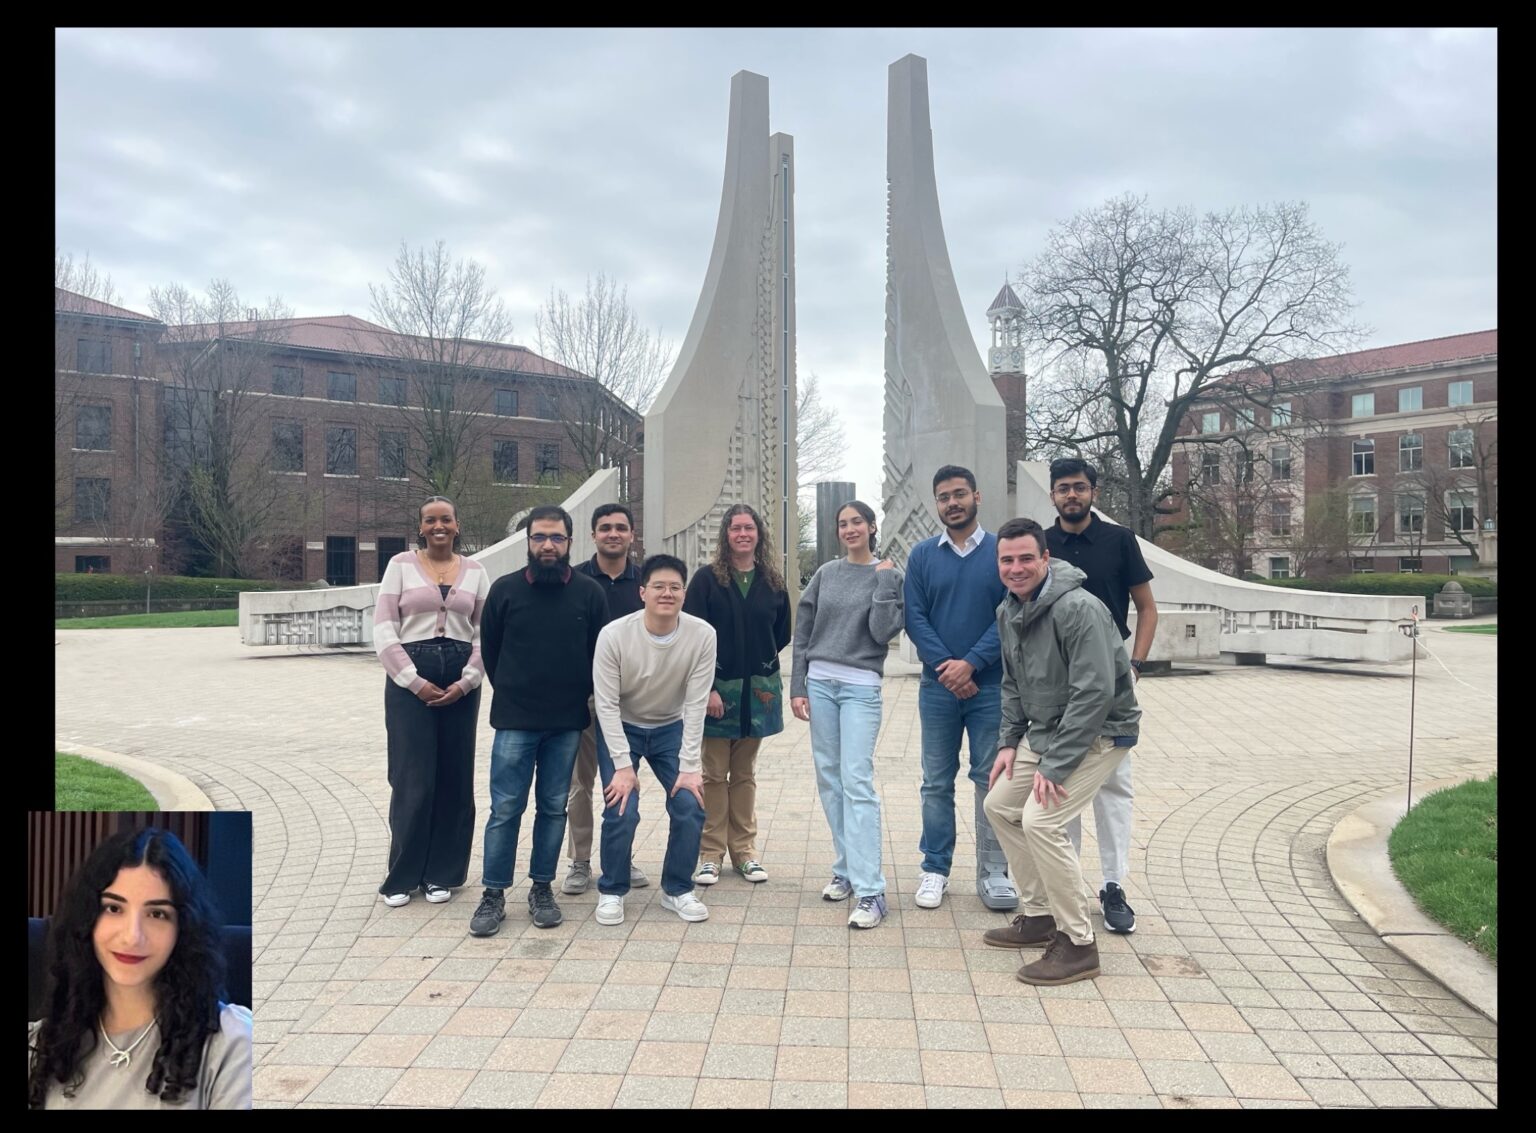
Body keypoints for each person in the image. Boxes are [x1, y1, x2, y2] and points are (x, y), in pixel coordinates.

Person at [981, 518, 1142, 985]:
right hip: (1048, 730)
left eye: (1026, 558)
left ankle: (1078, 945)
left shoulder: (1079, 609)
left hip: (1101, 732)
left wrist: (1054, 764)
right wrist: (1009, 742)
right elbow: (1012, 683)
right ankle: (1039, 915)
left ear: (1046, 559)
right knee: (999, 806)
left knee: (1042, 820)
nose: (1016, 568)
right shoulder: (1008, 609)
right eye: (1007, 560)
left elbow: (1094, 696)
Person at [28, 828, 252, 1109]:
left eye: (157, 914)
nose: (133, 936)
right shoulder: (42, 1046)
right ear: (86, 918)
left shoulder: (230, 1043)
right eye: (113, 908)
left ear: (183, 929)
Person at [469, 505, 609, 936]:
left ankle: (542, 888)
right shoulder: (506, 591)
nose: (548, 545)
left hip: (567, 722)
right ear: (528, 542)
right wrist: (514, 691)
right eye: (539, 537)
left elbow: (598, 655)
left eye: (557, 538)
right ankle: (493, 894)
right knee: (506, 807)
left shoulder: (589, 593)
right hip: (514, 720)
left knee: (553, 807)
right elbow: (491, 652)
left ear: (570, 542)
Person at [1043, 457, 1156, 935]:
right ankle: (1065, 886)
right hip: (1056, 687)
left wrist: (1135, 665)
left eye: (1080, 487)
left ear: (1094, 492)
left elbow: (1147, 608)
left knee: (1114, 789)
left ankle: (1113, 885)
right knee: (1060, 788)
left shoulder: (1119, 540)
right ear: (1052, 494)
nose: (1072, 495)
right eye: (1064, 488)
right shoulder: (1040, 546)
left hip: (1111, 685)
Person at [903, 465, 1017, 911]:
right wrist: (948, 668)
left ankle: (993, 872)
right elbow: (915, 617)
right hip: (936, 689)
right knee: (935, 783)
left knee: (990, 781)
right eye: (944, 497)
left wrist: (970, 664)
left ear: (977, 496)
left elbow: (1008, 613)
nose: (952, 503)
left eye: (959, 494)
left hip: (991, 687)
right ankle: (934, 869)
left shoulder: (999, 552)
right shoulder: (923, 555)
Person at [790, 500, 904, 929]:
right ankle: (846, 869)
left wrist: (886, 583)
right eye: (843, 523)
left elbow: (881, 632)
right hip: (820, 684)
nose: (850, 528)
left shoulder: (889, 575)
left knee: (856, 781)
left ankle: (872, 890)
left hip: (860, 688)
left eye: (857, 521)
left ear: (872, 527)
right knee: (830, 780)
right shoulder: (825, 574)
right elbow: (803, 633)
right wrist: (797, 685)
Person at [375, 496, 490, 907]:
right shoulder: (400, 566)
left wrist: (468, 680)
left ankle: (443, 873)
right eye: (430, 520)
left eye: (446, 519)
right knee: (412, 778)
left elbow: (483, 632)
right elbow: (385, 629)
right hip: (412, 676)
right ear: (420, 527)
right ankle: (402, 876)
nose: (438, 526)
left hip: (461, 678)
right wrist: (413, 681)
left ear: (457, 525)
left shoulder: (475, 572)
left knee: (455, 778)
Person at [591, 554, 717, 926]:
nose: (667, 593)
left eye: (675, 587)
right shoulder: (614, 635)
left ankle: (677, 889)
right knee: (621, 806)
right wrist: (623, 767)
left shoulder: (702, 635)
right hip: (622, 727)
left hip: (670, 727)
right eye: (658, 586)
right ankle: (612, 889)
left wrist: (691, 767)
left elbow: (696, 704)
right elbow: (606, 704)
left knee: (690, 804)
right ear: (642, 592)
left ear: (684, 593)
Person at [683, 504, 791, 886]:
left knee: (744, 774)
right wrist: (709, 685)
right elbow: (692, 636)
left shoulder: (773, 582)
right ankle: (710, 853)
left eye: (749, 528)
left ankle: (744, 851)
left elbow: (782, 634)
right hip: (717, 693)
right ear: (725, 535)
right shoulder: (706, 580)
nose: (742, 534)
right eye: (735, 528)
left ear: (758, 534)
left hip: (757, 693)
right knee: (713, 773)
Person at [563, 503, 651, 894]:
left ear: (632, 534)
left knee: (622, 783)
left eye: (620, 528)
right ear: (593, 535)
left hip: (632, 703)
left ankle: (620, 857)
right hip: (582, 699)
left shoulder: (647, 584)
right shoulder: (574, 579)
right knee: (579, 785)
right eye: (604, 528)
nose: (612, 534)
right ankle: (580, 861)